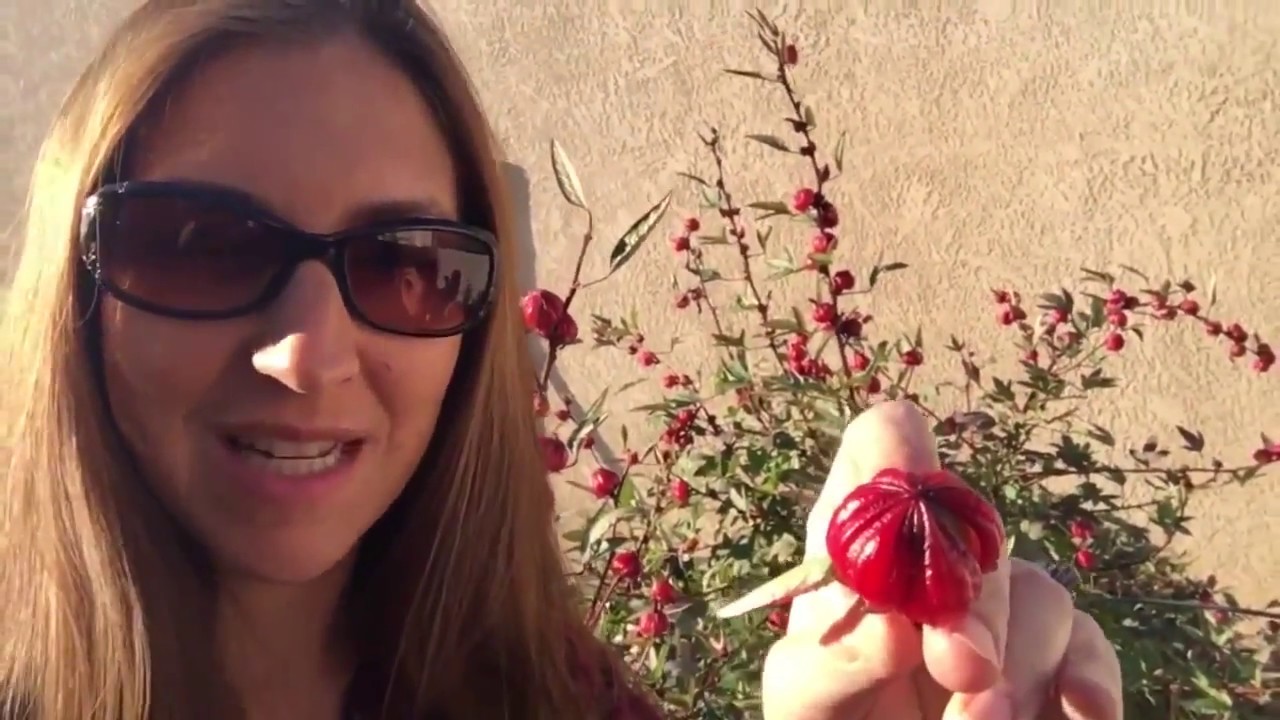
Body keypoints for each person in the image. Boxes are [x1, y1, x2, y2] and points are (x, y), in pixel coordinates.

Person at [0, 1, 1123, 718]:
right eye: (202, 247)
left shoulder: (556, 698)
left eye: (408, 265)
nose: (308, 356)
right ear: (76, 292)